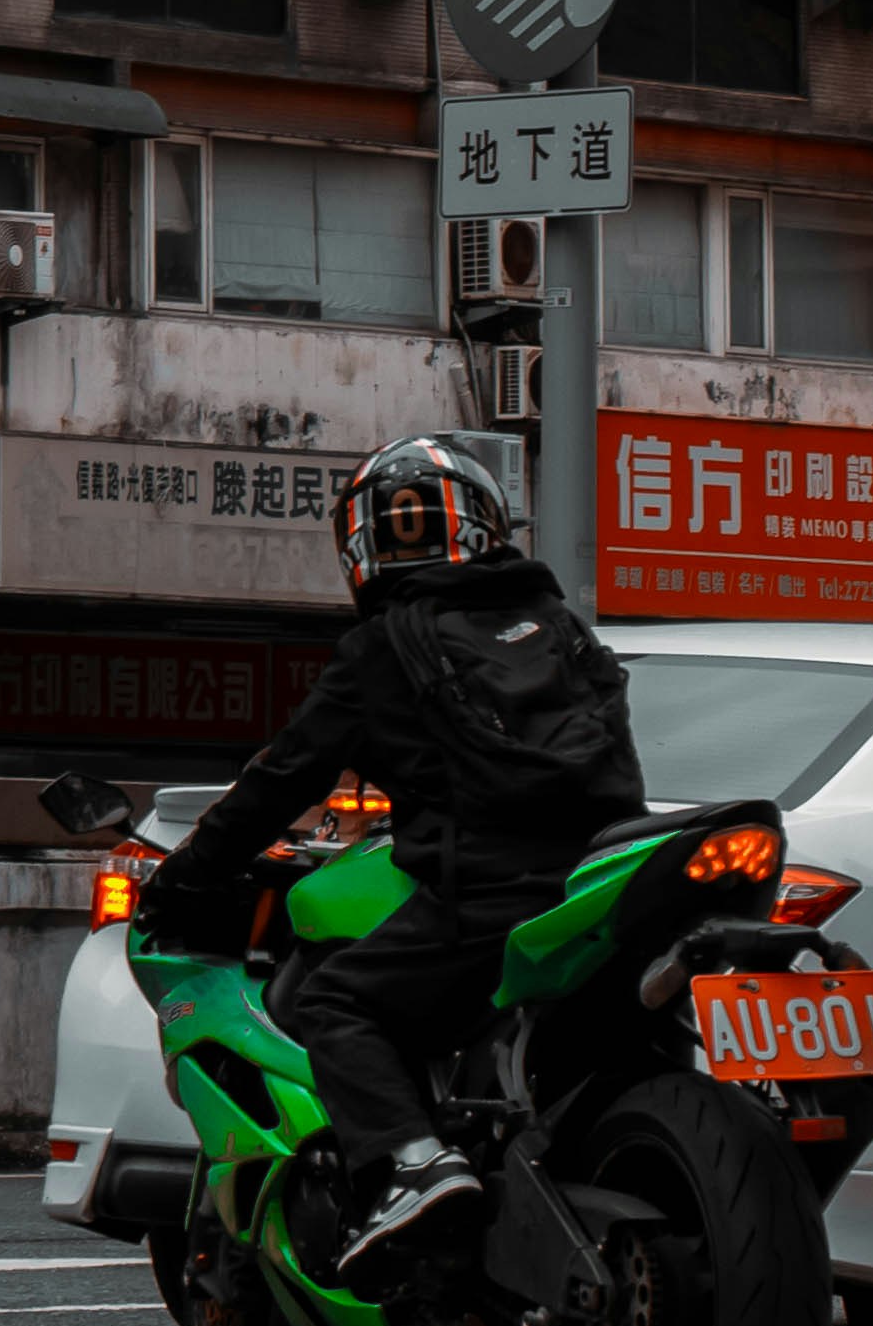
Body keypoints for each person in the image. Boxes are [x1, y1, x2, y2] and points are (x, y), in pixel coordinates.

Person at [136, 433, 645, 1270]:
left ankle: (414, 1160)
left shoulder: (382, 648)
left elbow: (281, 778)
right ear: (484, 522)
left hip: (486, 894)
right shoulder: (557, 624)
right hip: (602, 874)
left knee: (340, 1003)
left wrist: (185, 873)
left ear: (361, 548)